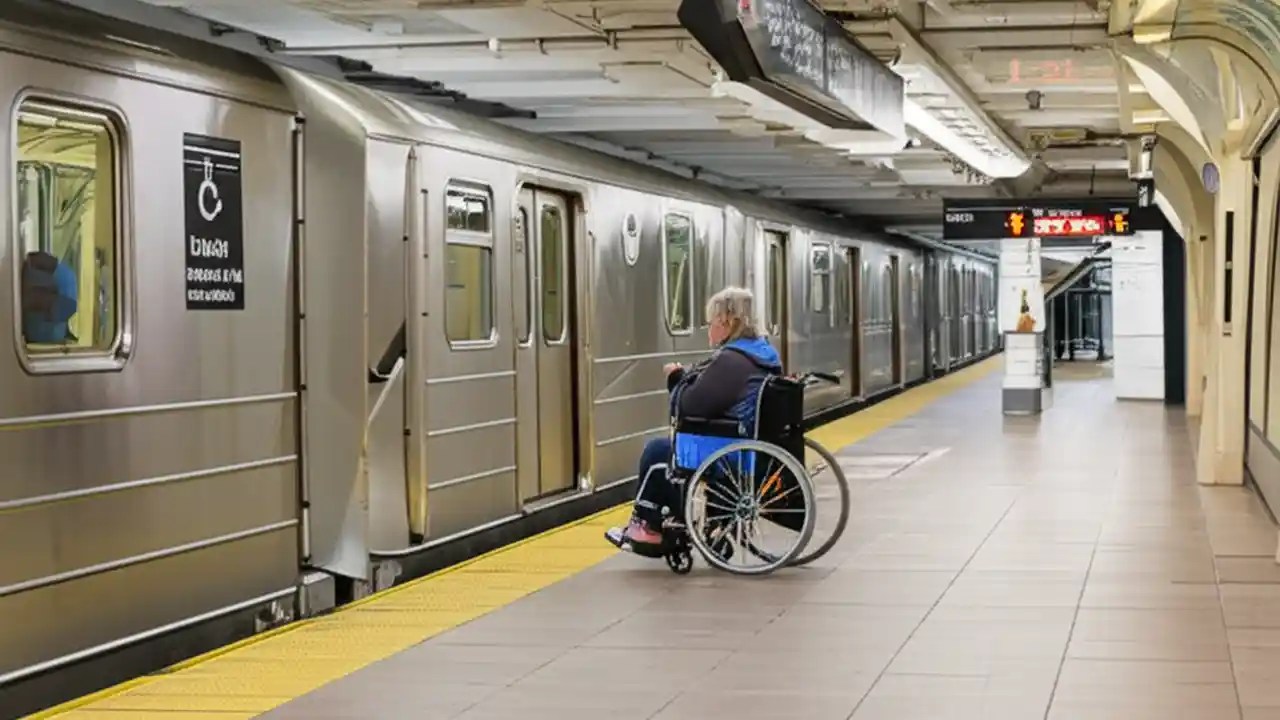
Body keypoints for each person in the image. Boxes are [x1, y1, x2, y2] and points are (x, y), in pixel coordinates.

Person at [605, 286, 782, 553]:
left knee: (658, 450)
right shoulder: (762, 352)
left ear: (726, 322)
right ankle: (672, 522)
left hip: (729, 450)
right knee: (669, 449)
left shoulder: (733, 360)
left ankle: (650, 526)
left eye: (711, 322)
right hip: (747, 443)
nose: (708, 328)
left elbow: (691, 407)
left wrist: (676, 379)